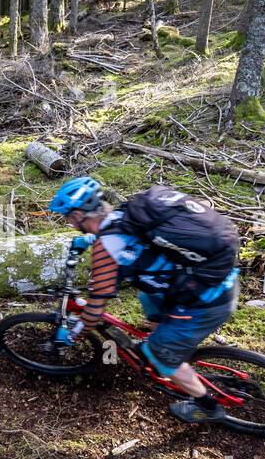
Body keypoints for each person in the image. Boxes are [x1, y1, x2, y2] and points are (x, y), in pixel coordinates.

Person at [48, 176, 240, 422]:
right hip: (213, 278)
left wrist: (73, 335)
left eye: (68, 218)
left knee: (157, 354)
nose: (70, 224)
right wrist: (85, 241)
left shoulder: (107, 250)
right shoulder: (129, 214)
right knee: (147, 295)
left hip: (208, 302)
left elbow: (95, 310)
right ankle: (164, 334)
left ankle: (207, 407)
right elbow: (116, 234)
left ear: (77, 216)